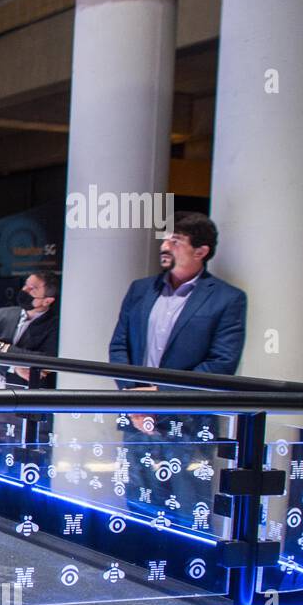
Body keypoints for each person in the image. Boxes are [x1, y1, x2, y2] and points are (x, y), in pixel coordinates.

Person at [108, 212, 246, 526]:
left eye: (176, 241)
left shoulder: (227, 299)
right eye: (166, 239)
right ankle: (139, 572)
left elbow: (222, 363)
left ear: (201, 252)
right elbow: (119, 346)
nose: (166, 246)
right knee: (138, 502)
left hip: (189, 425)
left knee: (188, 508)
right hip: (136, 420)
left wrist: (160, 394)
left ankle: (187, 573)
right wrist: (133, 399)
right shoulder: (140, 289)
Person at [0, 271, 60, 386]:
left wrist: (4, 347)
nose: (25, 290)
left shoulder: (55, 324)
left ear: (47, 301)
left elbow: (46, 360)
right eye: (26, 285)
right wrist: (13, 367)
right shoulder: (2, 314)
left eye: (33, 289)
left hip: (24, 394)